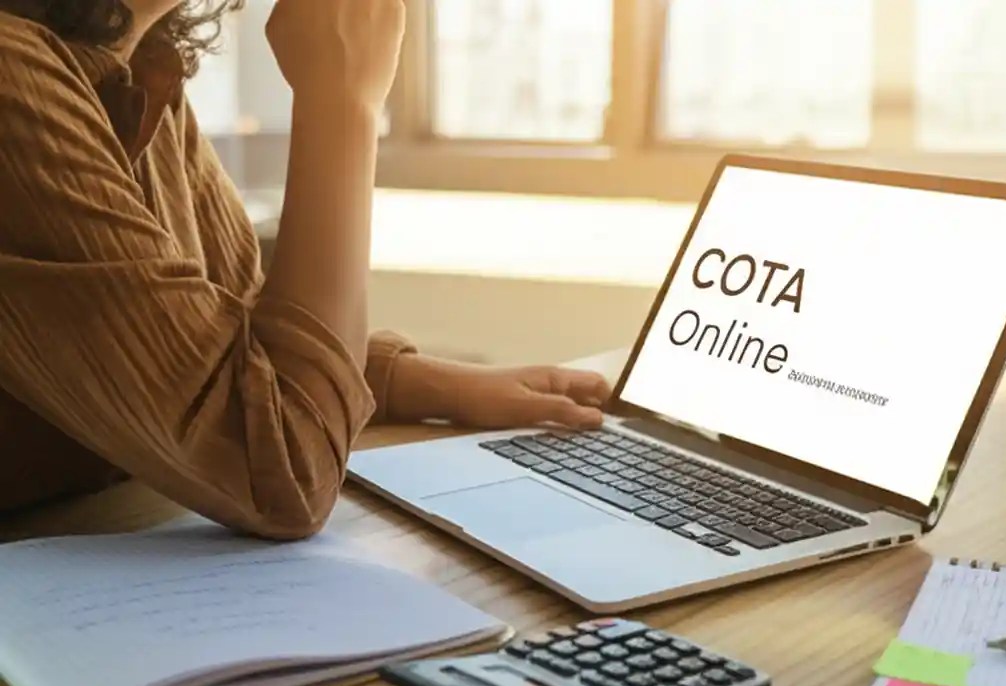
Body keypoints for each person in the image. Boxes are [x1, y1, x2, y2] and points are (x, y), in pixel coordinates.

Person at [0, 0, 611, 538]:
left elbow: (241, 348)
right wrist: (342, 99)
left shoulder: (137, 72)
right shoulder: (11, 72)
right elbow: (284, 476)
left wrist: (427, 385)